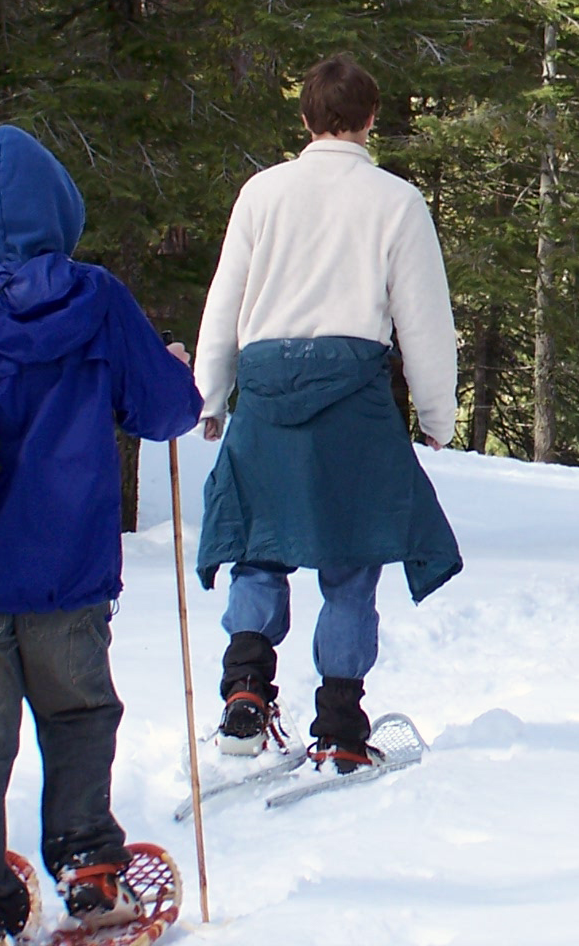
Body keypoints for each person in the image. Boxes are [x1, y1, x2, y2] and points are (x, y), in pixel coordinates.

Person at [0, 126, 203, 945]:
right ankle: (90, 873)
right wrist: (170, 364)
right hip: (70, 570)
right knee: (80, 715)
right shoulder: (96, 299)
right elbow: (167, 412)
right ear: (61, 210)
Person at [193, 54, 463, 773]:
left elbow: (227, 298)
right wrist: (437, 412)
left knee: (258, 541)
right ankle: (341, 721)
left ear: (305, 118)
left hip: (267, 385)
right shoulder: (396, 200)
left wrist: (209, 395)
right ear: (371, 120)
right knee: (351, 556)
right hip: (352, 391)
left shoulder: (262, 193)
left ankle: (246, 688)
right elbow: (424, 318)